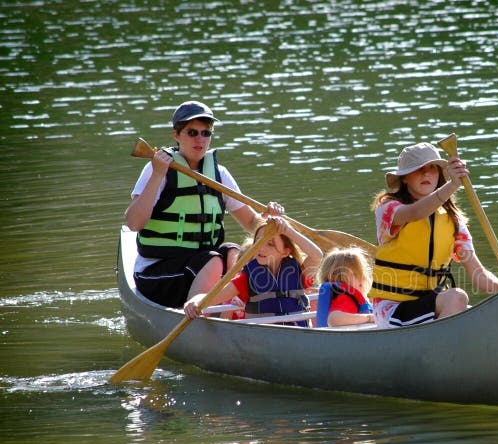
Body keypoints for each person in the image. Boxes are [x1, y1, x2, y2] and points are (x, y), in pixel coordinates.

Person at [125, 100, 284, 308]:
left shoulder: (219, 175)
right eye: (192, 132)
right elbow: (133, 223)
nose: (200, 139)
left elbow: (252, 222)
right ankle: (198, 315)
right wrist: (157, 174)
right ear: (176, 135)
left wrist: (270, 220)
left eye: (205, 133)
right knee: (213, 260)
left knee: (233, 252)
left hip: (202, 267)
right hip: (157, 275)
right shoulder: (158, 168)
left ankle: (240, 310)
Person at [368, 142, 498, 328]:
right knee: (458, 297)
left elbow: (478, 274)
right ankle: (437, 348)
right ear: (404, 179)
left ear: (439, 175)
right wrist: (453, 185)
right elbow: (415, 214)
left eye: (432, 168)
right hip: (392, 310)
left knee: (462, 305)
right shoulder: (388, 209)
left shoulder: (453, 222)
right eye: (419, 169)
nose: (426, 173)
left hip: (430, 307)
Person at [183, 217, 322, 326]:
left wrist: (288, 231)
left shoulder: (298, 272)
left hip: (297, 333)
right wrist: (195, 301)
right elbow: (212, 297)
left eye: (270, 244)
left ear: (286, 252)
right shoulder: (246, 278)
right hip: (263, 338)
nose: (261, 248)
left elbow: (317, 255)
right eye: (258, 241)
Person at [315, 248, 374, 327]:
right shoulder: (344, 297)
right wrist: (369, 318)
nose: (362, 277)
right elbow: (333, 319)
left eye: (363, 273)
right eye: (356, 274)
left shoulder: (350, 297)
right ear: (337, 277)